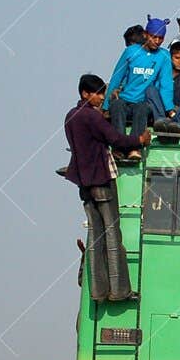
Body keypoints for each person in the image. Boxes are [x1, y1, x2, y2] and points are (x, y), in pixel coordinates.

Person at [64, 73, 152, 302]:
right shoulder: (91, 118)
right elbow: (117, 139)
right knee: (112, 234)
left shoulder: (71, 116)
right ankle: (119, 291)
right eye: (98, 93)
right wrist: (139, 140)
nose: (101, 97)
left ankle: (98, 292)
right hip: (101, 179)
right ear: (85, 94)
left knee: (95, 236)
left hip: (83, 184)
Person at [106, 15, 174, 157]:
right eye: (153, 37)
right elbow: (116, 78)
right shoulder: (131, 51)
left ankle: (134, 148)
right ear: (145, 34)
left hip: (144, 102)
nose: (157, 41)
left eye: (160, 38)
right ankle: (118, 148)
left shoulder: (164, 56)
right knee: (117, 106)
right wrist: (105, 106)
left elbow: (165, 84)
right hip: (125, 99)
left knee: (142, 108)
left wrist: (170, 109)